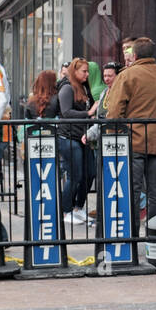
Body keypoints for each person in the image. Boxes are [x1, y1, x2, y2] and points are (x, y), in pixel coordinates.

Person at [102, 38, 156, 231]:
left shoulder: (127, 75)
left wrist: (111, 136)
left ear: (135, 55)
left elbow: (115, 112)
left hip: (133, 142)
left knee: (131, 191)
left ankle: (131, 235)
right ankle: (155, 236)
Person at [50, 57, 97, 223]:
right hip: (68, 137)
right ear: (74, 72)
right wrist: (89, 113)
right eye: (84, 71)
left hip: (83, 137)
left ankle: (78, 207)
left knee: (90, 173)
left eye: (87, 71)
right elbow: (66, 112)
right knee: (75, 175)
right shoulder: (67, 88)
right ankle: (65, 211)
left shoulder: (83, 87)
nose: (87, 74)